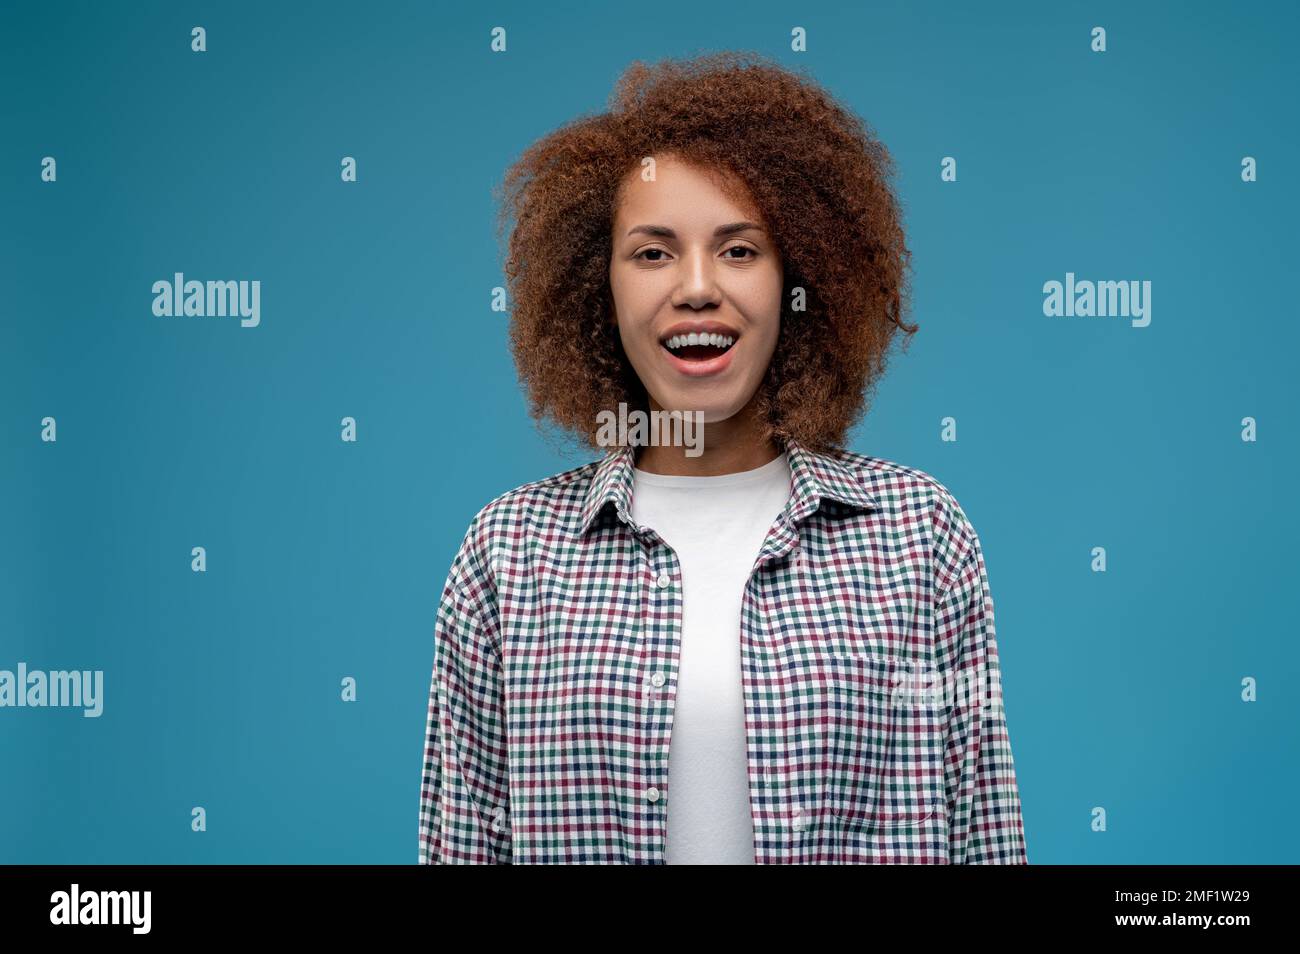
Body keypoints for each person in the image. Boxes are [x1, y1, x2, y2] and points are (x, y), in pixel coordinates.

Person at [418, 51, 1027, 864]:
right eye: (652, 252)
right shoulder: (509, 555)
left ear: (797, 279)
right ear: (598, 287)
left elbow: (984, 835)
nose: (698, 287)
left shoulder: (920, 539)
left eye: (740, 250)